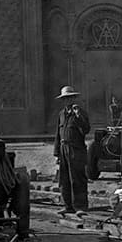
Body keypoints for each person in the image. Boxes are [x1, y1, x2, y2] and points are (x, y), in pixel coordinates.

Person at [53, 85, 91, 215]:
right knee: (64, 179)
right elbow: (58, 134)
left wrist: (78, 115)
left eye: (70, 98)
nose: (67, 101)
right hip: (64, 149)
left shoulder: (80, 113)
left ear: (74, 98)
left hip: (76, 150)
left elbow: (86, 129)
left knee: (77, 178)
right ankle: (68, 206)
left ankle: (80, 207)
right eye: (65, 99)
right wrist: (57, 152)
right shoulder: (61, 114)